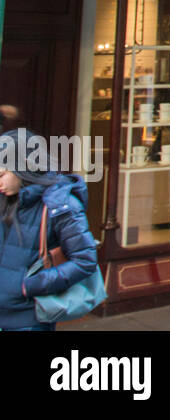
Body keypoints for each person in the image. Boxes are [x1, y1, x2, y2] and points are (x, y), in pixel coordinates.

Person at [0, 130, 99, 330]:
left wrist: (28, 286)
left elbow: (85, 260)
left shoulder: (61, 205)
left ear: (25, 166)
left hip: (28, 319)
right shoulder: (6, 199)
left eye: (2, 174)